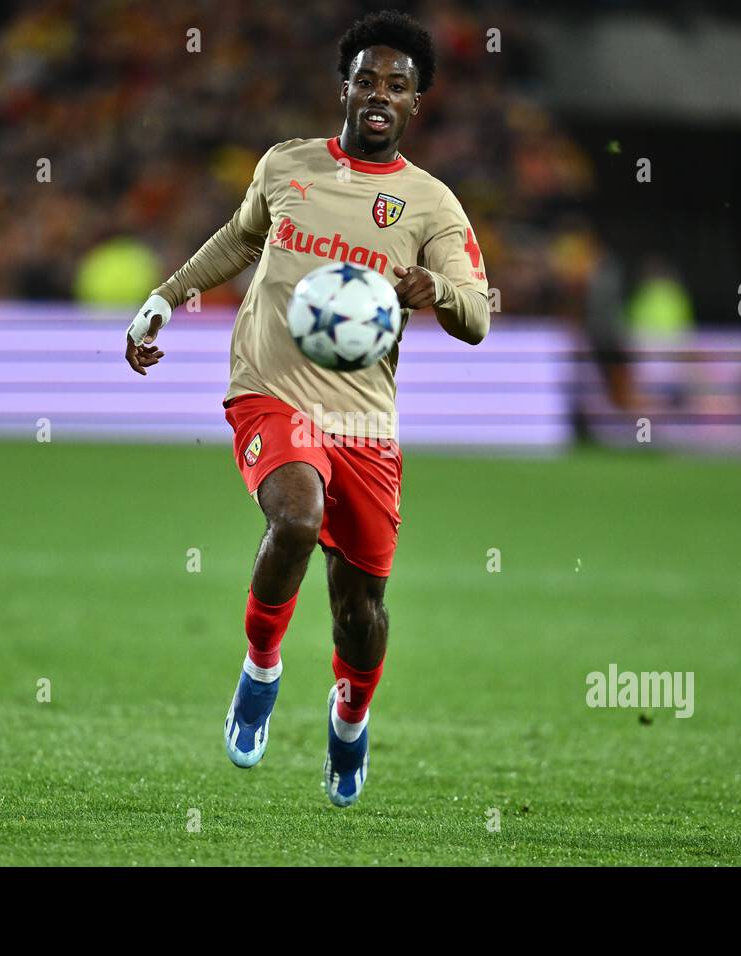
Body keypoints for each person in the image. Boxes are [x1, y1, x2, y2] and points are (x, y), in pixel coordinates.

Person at [122, 11, 490, 807]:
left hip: (364, 422)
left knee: (361, 611)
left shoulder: (431, 206)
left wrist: (439, 292)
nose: (380, 95)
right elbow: (237, 238)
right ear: (345, 89)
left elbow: (478, 318)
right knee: (293, 517)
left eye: (398, 84)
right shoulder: (287, 166)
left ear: (417, 101)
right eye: (367, 80)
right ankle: (261, 670)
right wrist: (164, 297)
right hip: (270, 390)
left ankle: (350, 719)